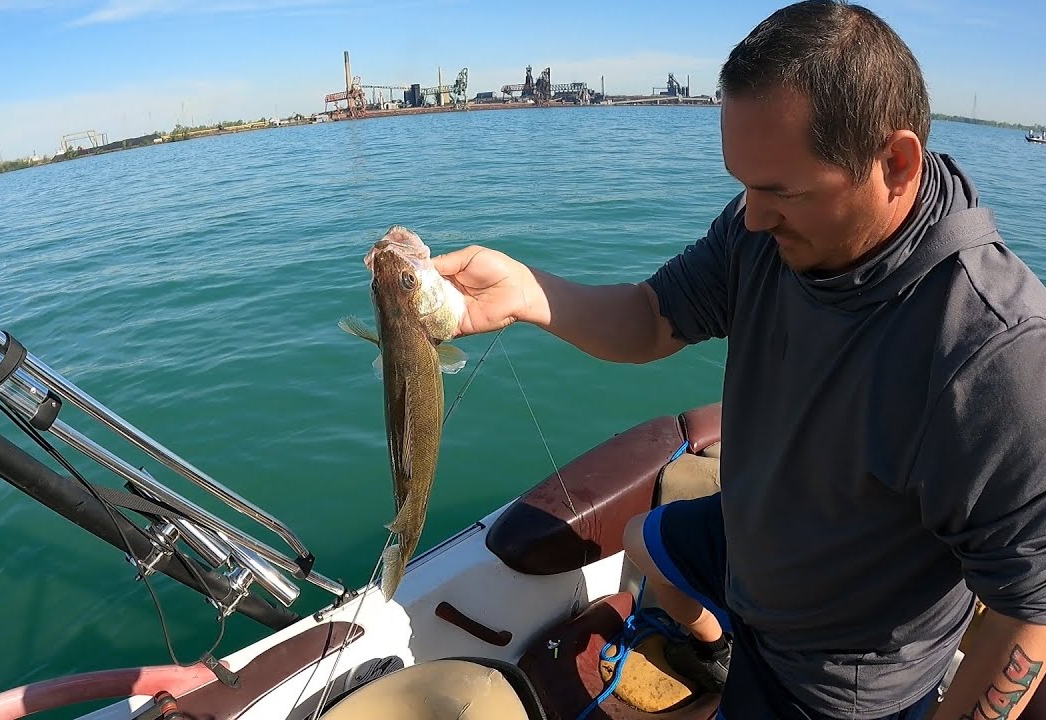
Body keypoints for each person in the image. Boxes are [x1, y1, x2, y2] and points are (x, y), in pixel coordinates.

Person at [431, 2, 1046, 718]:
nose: (750, 217)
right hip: (756, 542)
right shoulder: (764, 230)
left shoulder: (995, 355)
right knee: (645, 543)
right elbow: (651, 319)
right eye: (743, 183)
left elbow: (1025, 614)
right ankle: (714, 649)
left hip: (828, 681)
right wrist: (528, 294)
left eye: (780, 191)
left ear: (897, 164)